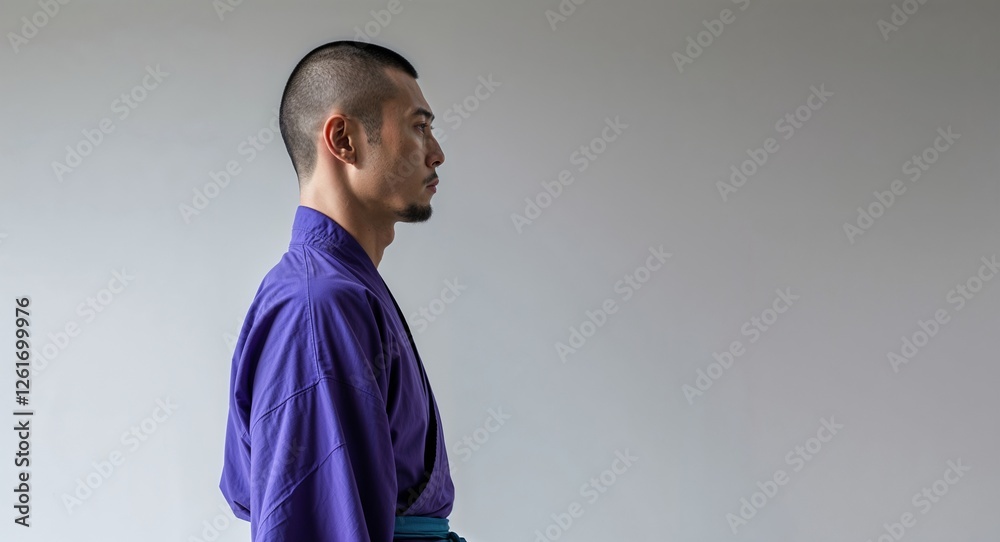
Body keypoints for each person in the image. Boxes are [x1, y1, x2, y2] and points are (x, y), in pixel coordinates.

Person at [218, 40, 466, 542]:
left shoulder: (341, 293)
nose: (437, 152)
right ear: (344, 140)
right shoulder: (317, 306)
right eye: (419, 127)